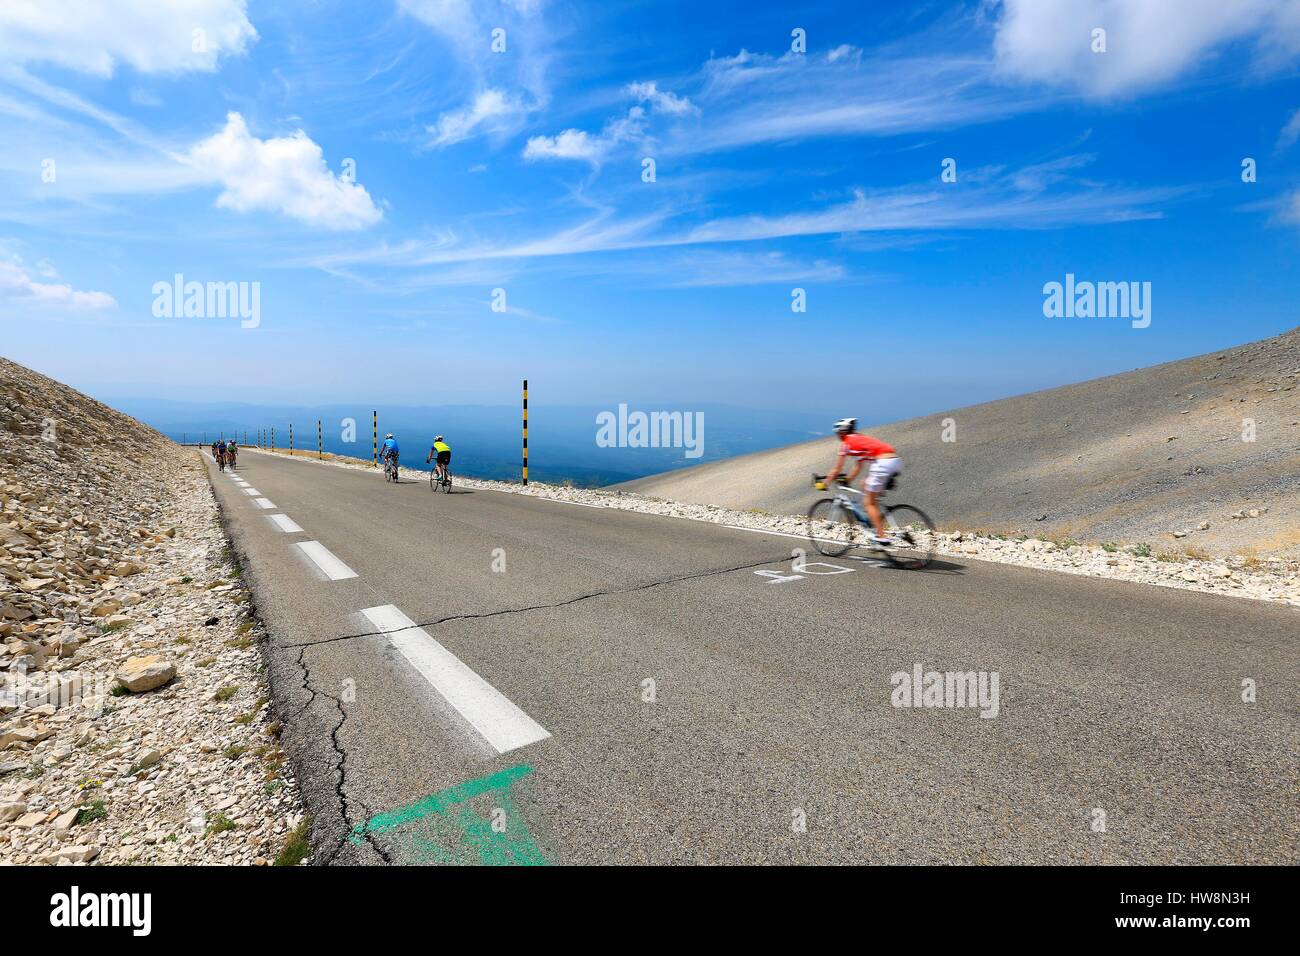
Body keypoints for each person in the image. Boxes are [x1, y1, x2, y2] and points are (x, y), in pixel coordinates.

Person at [824, 418, 901, 546]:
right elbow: (858, 465)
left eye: (837, 433)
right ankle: (876, 526)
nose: (837, 436)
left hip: (882, 464)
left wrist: (826, 483)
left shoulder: (846, 443)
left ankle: (882, 537)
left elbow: (837, 469)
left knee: (868, 502)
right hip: (895, 461)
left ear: (842, 432)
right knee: (865, 484)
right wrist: (848, 480)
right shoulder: (859, 438)